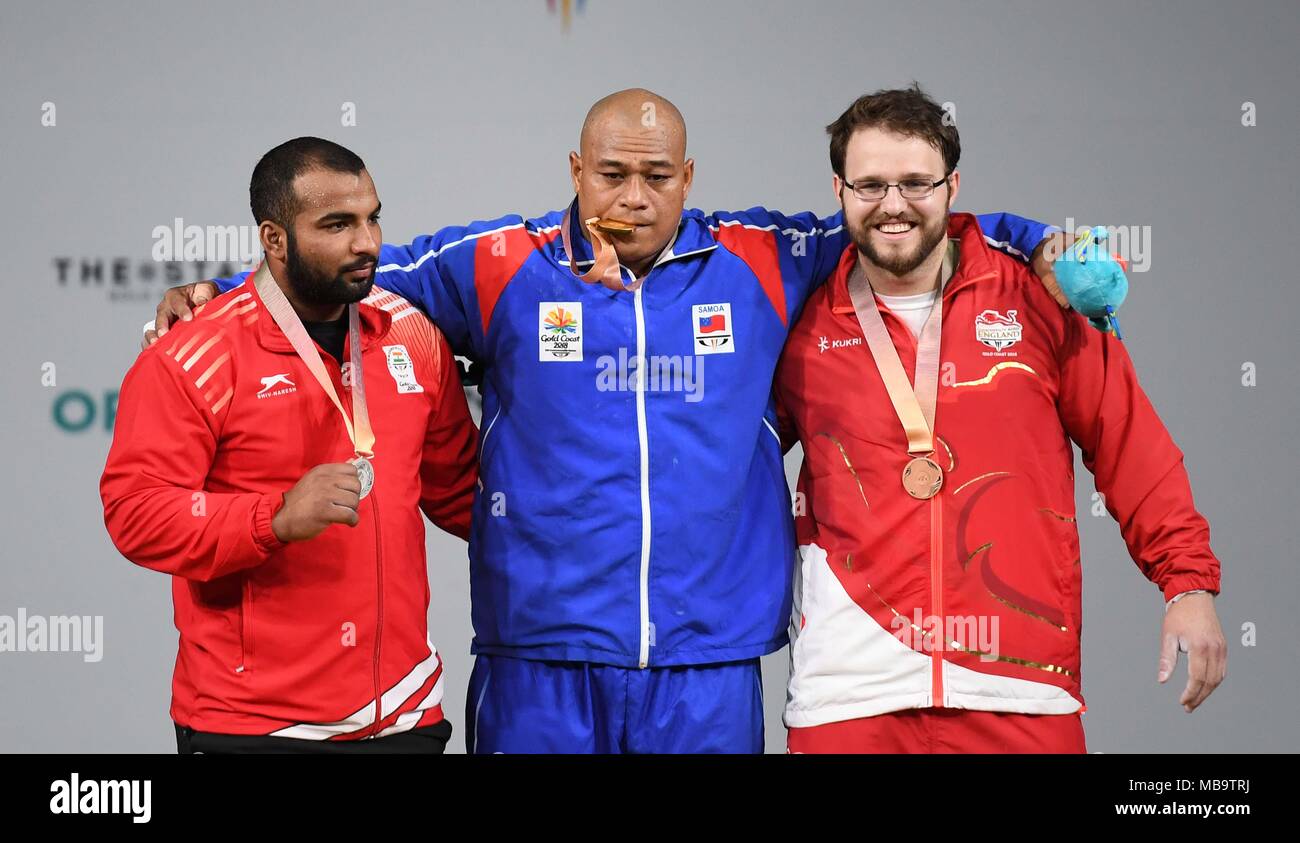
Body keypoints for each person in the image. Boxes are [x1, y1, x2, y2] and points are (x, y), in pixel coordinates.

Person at [143, 89, 1083, 754]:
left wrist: (1040, 240)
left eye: (657, 175)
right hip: (539, 656)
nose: (633, 197)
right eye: (612, 174)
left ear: (689, 177)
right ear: (575, 171)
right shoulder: (498, 264)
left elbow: (904, 209)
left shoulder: (761, 256)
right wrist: (222, 288)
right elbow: (342, 276)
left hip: (705, 664)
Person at [775, 85, 1225, 753]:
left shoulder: (1038, 298)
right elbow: (715, 457)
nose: (893, 204)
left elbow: (1131, 444)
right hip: (848, 690)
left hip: (1020, 689)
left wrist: (1186, 581)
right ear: (837, 188)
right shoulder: (799, 322)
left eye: (915, 183)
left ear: (953, 185)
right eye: (869, 185)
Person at [101, 137, 478, 753]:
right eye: (337, 224)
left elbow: (464, 493)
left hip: (406, 716)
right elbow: (136, 513)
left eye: (372, 217)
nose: (368, 243)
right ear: (274, 238)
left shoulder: (411, 336)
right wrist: (271, 517)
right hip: (256, 724)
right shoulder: (194, 355)